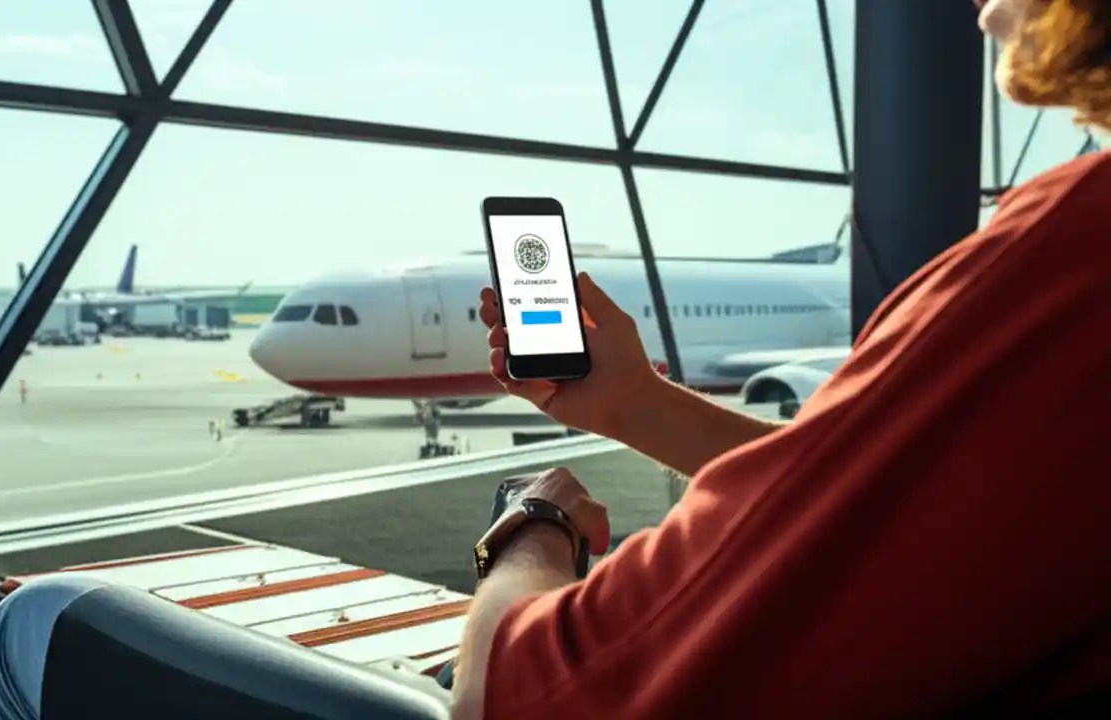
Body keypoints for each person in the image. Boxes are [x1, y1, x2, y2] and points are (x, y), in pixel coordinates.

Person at [450, 1, 1111, 717]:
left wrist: (533, 525)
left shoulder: (1076, 253)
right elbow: (868, 503)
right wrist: (634, 402)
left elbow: (518, 688)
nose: (976, 9)